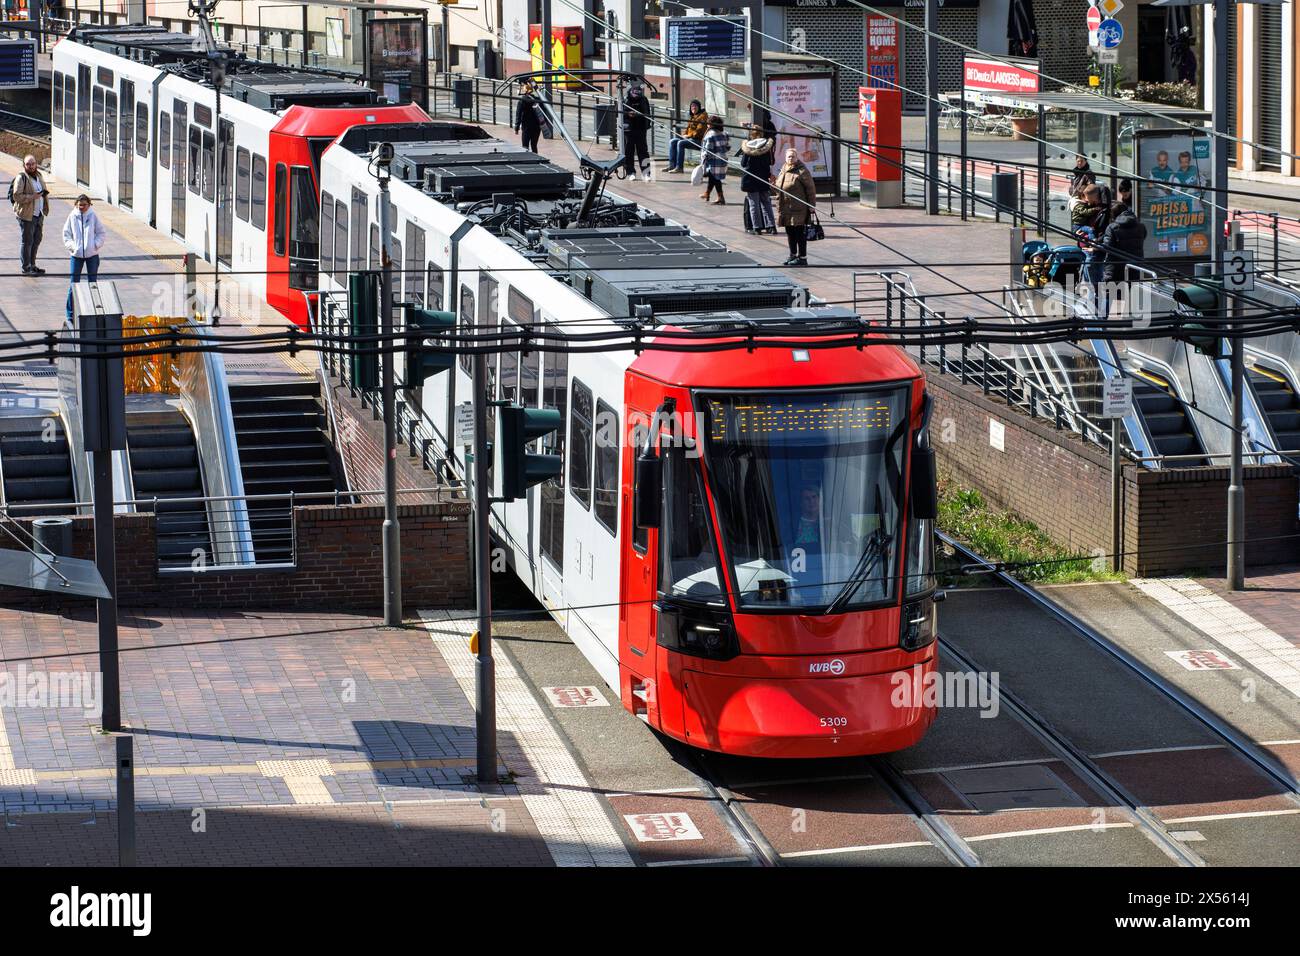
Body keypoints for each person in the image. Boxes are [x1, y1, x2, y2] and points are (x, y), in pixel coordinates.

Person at [63, 194, 105, 320]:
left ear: (89, 204)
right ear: (76, 204)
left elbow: (101, 232)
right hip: (76, 256)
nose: (82, 207)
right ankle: (70, 314)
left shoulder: (93, 216)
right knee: (73, 284)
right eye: (79, 205)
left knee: (93, 283)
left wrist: (95, 245)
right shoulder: (72, 216)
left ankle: (95, 311)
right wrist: (72, 247)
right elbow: (66, 234)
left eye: (84, 205)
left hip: (92, 255)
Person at [774, 147, 816, 266]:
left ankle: (802, 257)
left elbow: (811, 189)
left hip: (798, 209)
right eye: (789, 156)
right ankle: (792, 255)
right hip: (785, 208)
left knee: (799, 233)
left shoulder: (802, 171)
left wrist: (811, 205)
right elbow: (780, 187)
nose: (791, 158)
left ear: (797, 158)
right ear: (785, 158)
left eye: (793, 156)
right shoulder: (783, 169)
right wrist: (773, 185)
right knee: (790, 233)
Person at [11, 154, 49, 276]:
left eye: (33, 163)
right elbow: (17, 196)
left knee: (37, 239)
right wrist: (33, 197)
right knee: (27, 241)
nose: (31, 166)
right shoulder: (21, 178)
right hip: (27, 215)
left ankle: (32, 264)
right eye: (28, 164)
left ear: (36, 164)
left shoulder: (39, 175)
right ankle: (26, 267)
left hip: (39, 214)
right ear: (24, 165)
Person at [739, 124, 776, 234]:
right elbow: (770, 162)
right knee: (766, 203)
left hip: (750, 179)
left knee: (754, 204)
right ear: (762, 133)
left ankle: (757, 228)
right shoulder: (766, 146)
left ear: (751, 134)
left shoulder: (747, 146)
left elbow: (743, 163)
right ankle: (771, 226)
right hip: (763, 177)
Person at [664, 100, 708, 173]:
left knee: (681, 143)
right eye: (692, 106)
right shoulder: (693, 116)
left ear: (699, 107)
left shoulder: (703, 116)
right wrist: (683, 136)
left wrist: (688, 135)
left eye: (695, 106)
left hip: (699, 140)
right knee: (673, 141)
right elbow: (688, 129)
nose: (693, 108)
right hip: (691, 139)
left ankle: (679, 167)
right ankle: (672, 165)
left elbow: (699, 130)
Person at [622, 80, 653, 181]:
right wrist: (628, 114)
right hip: (628, 130)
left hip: (640, 129)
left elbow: (647, 113)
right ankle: (630, 172)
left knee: (643, 151)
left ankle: (646, 173)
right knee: (628, 152)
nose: (636, 94)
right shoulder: (626, 100)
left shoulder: (643, 100)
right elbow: (620, 114)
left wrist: (644, 121)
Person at [699, 115, 730, 204]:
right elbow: (727, 147)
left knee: (715, 179)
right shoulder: (724, 134)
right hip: (723, 158)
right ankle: (707, 193)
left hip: (714, 160)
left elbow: (709, 149)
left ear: (710, 124)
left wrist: (704, 159)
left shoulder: (710, 135)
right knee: (713, 178)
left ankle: (720, 197)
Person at [514, 80, 544, 153]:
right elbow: (543, 112)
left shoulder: (522, 101)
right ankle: (536, 160)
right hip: (537, 126)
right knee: (534, 145)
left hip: (526, 126)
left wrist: (516, 127)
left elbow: (519, 114)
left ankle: (526, 160)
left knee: (525, 145)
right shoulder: (538, 100)